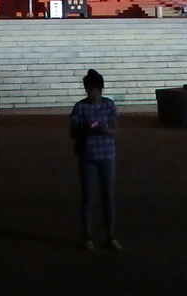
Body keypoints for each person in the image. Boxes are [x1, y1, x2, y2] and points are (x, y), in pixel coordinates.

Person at [69, 68, 121, 250]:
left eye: (93, 90)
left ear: (100, 89)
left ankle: (110, 235)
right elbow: (72, 131)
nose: (90, 94)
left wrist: (104, 130)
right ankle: (88, 236)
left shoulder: (109, 105)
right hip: (88, 155)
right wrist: (87, 129)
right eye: (88, 90)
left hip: (107, 154)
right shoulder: (80, 107)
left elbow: (116, 129)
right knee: (88, 196)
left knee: (108, 195)